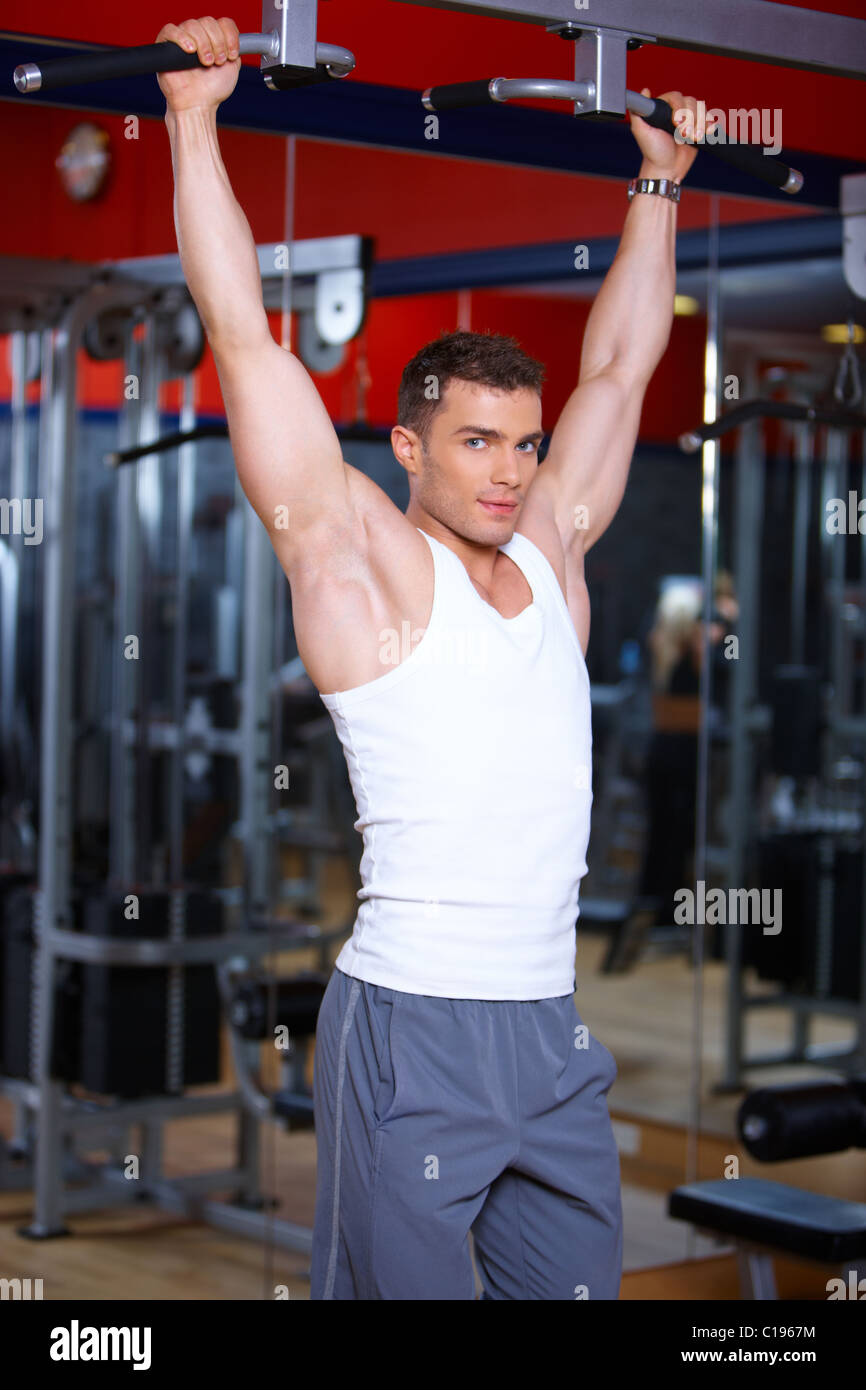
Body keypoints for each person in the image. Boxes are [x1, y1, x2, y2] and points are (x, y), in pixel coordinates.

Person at [156, 14, 706, 1300]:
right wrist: (191, 118)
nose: (511, 471)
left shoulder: (553, 553)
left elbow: (620, 373)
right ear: (407, 448)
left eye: (521, 443)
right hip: (412, 1025)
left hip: (551, 1032)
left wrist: (656, 184)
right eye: (476, 444)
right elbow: (242, 334)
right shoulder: (359, 565)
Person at [604, 573, 739, 973]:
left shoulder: (666, 643)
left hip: (668, 753)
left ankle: (662, 916)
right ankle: (663, 917)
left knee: (670, 841)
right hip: (680, 754)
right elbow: (730, 662)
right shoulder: (689, 646)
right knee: (676, 841)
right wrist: (731, 623)